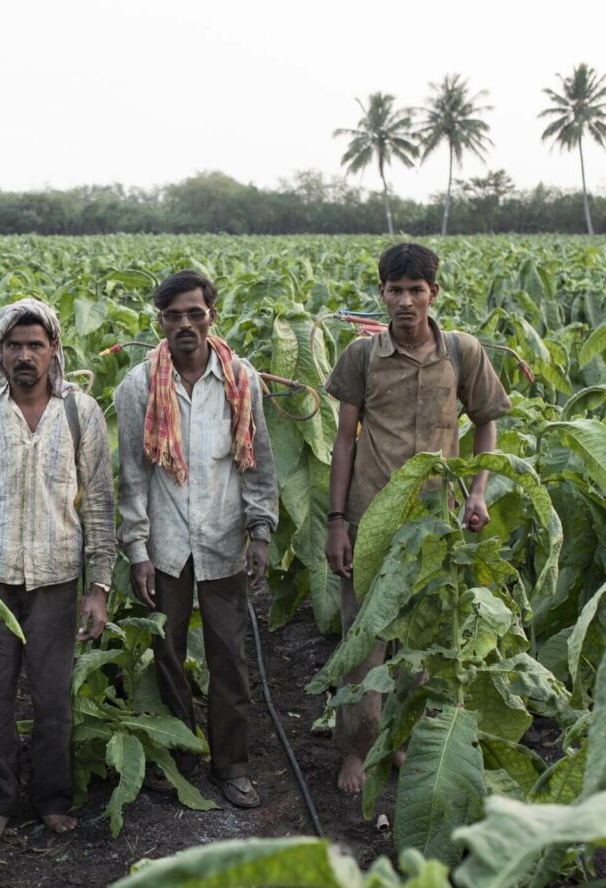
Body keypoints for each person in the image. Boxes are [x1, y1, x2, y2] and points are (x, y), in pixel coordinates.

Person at [324, 242, 512, 794]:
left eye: (415, 290)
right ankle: (356, 750)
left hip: (437, 522)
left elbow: (486, 423)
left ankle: (403, 742)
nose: (405, 301)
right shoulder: (362, 357)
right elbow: (343, 440)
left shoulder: (462, 352)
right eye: (395, 289)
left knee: (422, 643)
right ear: (381, 293)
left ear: (434, 292)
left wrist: (477, 491)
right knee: (363, 639)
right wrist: (337, 521)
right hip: (370, 519)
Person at [0, 298, 116, 846]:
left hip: (56, 577)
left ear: (54, 350)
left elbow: (99, 504)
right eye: (14, 345)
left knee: (52, 696)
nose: (24, 355)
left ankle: (51, 799)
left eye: (35, 345)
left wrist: (101, 586)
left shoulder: (79, 411)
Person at [115, 270, 279, 809]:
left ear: (212, 314)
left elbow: (255, 462)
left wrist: (261, 529)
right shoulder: (139, 385)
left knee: (229, 656)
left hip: (223, 538)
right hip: (166, 543)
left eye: (195, 313)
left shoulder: (239, 377)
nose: (185, 324)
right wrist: (136, 550)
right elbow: (135, 475)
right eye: (173, 315)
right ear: (159, 321)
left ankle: (231, 765)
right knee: (168, 650)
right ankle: (180, 754)